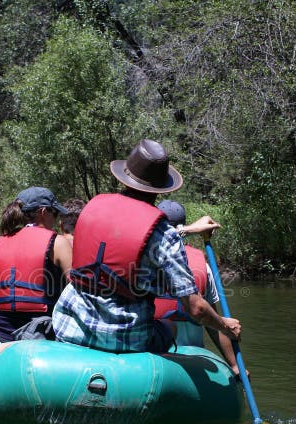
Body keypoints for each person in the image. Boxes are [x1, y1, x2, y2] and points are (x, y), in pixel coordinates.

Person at [52, 139, 242, 361]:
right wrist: (225, 326)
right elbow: (196, 308)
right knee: (169, 327)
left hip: (69, 326)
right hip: (124, 339)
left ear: (124, 177)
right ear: (160, 189)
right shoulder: (163, 235)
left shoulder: (91, 208)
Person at [153, 200, 248, 378]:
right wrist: (234, 365)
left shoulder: (146, 259)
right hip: (195, 359)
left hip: (156, 356)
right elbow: (215, 324)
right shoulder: (203, 266)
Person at [0, 187, 72, 342]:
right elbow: (80, 289)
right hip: (41, 338)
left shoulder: (0, 241)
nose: (56, 220)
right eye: (55, 213)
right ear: (43, 212)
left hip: (2, 338)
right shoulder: (58, 242)